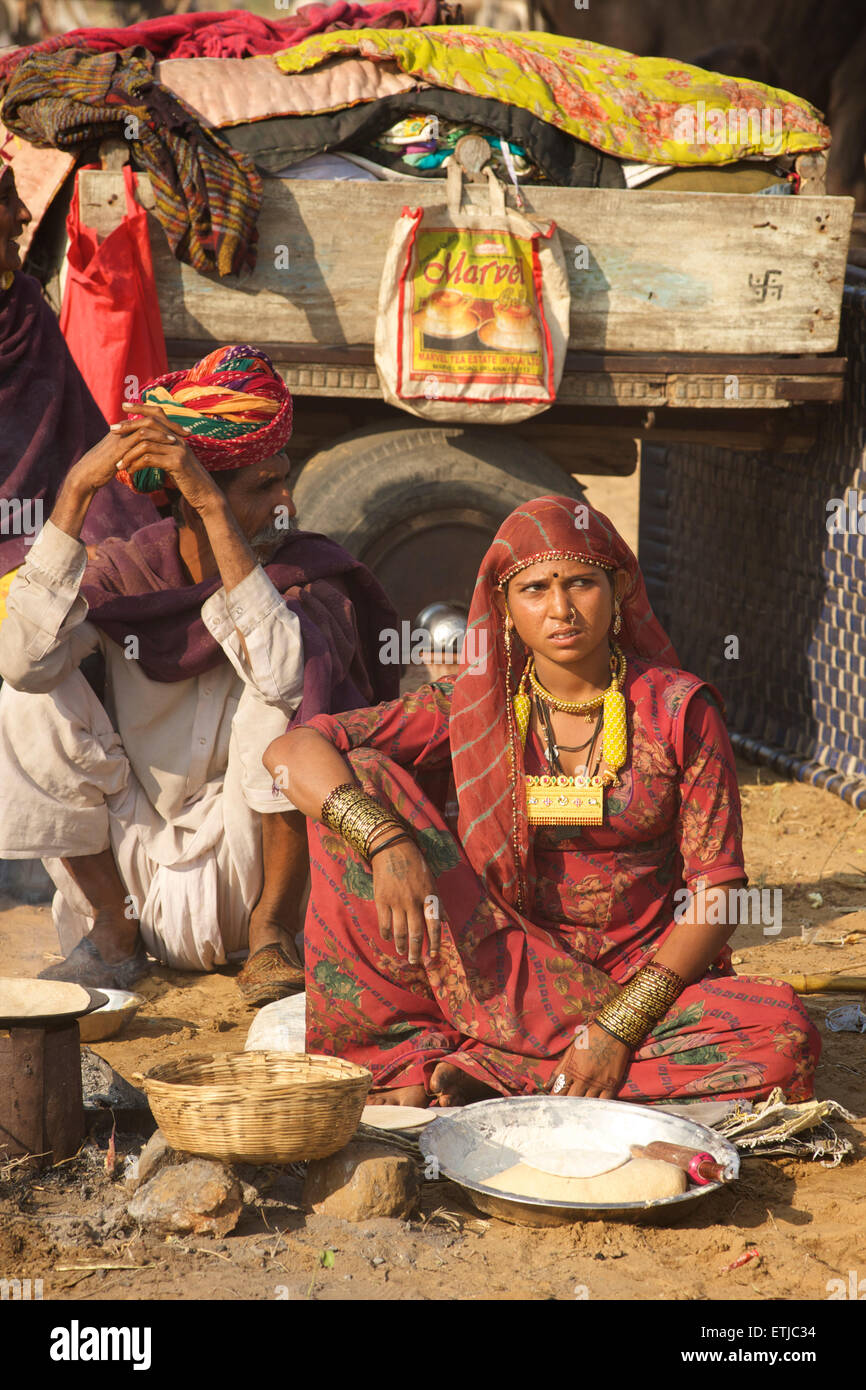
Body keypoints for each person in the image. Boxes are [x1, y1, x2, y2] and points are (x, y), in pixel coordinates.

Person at [265, 495, 820, 1107]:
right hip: (495, 966)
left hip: (642, 984)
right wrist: (388, 843)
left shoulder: (679, 711)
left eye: (581, 582)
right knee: (360, 780)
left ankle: (505, 1073)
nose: (561, 609)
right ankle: (416, 1052)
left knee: (781, 1035)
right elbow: (294, 750)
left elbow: (717, 894)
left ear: (619, 590)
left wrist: (619, 1026)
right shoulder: (472, 705)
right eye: (535, 589)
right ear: (503, 605)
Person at [0, 345, 398, 1001]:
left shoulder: (306, 578)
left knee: (282, 705)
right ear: (184, 499)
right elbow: (23, 662)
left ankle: (274, 934)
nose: (287, 502)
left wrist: (218, 511)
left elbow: (285, 679)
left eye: (284, 479)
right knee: (27, 699)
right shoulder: (127, 575)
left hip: (255, 881)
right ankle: (110, 932)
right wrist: (74, 492)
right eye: (264, 487)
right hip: (140, 871)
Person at [0, 154, 156, 592]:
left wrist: (71, 540)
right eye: (5, 200)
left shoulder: (26, 308)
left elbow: (78, 439)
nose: (24, 215)